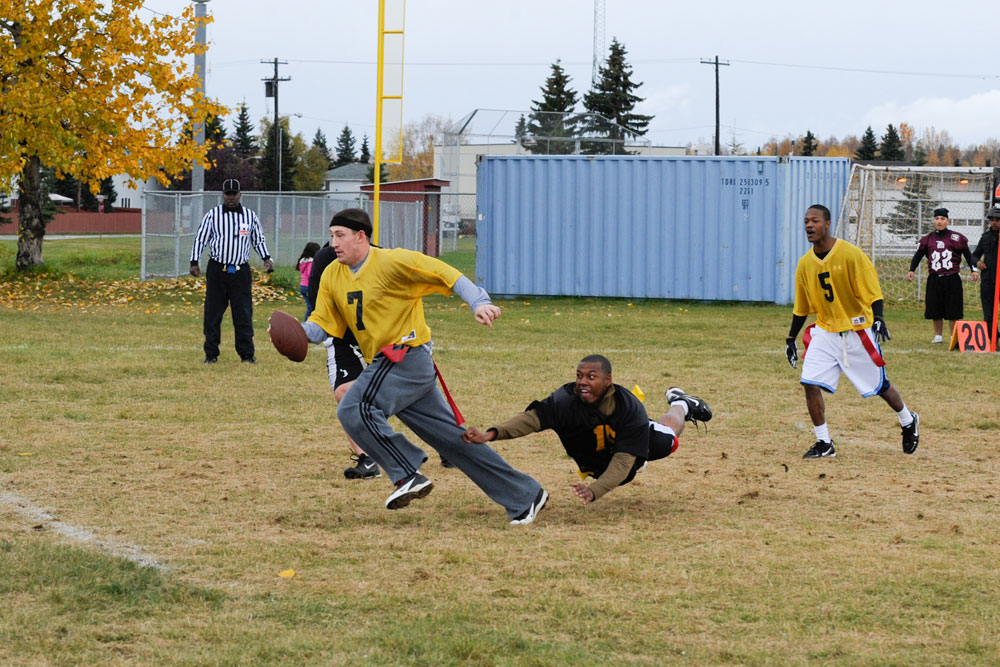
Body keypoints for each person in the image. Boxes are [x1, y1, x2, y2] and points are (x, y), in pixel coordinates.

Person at [303, 208, 547, 524]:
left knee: (352, 407)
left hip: (405, 358)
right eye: (332, 235)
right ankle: (526, 495)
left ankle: (407, 474)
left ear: (361, 237)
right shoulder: (332, 275)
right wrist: (296, 332)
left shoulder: (392, 262)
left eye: (340, 235)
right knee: (455, 442)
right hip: (393, 366)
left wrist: (479, 302)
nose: (334, 243)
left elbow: (447, 274)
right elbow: (322, 325)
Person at [461, 355, 712, 505]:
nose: (582, 382)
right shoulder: (565, 400)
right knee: (616, 474)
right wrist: (490, 434)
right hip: (597, 454)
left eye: (591, 377)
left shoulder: (628, 408)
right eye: (579, 376)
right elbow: (531, 420)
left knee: (667, 440)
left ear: (608, 381)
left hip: (629, 443)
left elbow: (623, 461)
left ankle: (681, 404)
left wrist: (595, 491)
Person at [785, 204, 919, 459]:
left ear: (828, 224)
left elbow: (873, 291)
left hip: (856, 330)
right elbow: (801, 307)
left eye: (815, 220)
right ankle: (824, 443)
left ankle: (907, 419)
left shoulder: (851, 254)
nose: (809, 225)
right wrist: (791, 338)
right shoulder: (805, 264)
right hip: (825, 331)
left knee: (880, 386)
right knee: (809, 382)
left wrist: (879, 318)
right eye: (806, 221)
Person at [190, 178, 273, 364]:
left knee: (243, 314)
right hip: (217, 270)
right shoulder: (213, 215)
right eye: (228, 194)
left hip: (240, 271)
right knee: (212, 314)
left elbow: (258, 239)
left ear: (240, 195)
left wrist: (267, 258)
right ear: (223, 195)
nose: (231, 198)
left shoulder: (250, 216)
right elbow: (200, 239)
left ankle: (247, 355)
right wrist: (194, 262)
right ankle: (211, 354)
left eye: (234, 194)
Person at [906, 207, 978, 343]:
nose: (939, 221)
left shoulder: (957, 238)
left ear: (948, 221)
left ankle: (953, 336)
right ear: (934, 221)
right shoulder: (927, 239)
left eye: (942, 219)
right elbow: (918, 255)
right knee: (935, 307)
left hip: (952, 277)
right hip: (935, 277)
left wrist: (973, 270)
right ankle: (938, 335)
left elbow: (968, 255)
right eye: (937, 218)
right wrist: (912, 269)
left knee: (953, 308)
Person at [972, 206, 1000, 344]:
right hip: (988, 280)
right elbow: (974, 255)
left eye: (997, 220)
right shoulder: (985, 238)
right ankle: (994, 340)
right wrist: (977, 262)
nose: (994, 223)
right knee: (988, 313)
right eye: (992, 220)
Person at [296, 241, 321, 320]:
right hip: (309, 286)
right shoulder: (311, 262)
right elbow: (311, 274)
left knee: (310, 306)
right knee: (311, 307)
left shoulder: (303, 261)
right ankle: (306, 324)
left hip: (303, 286)